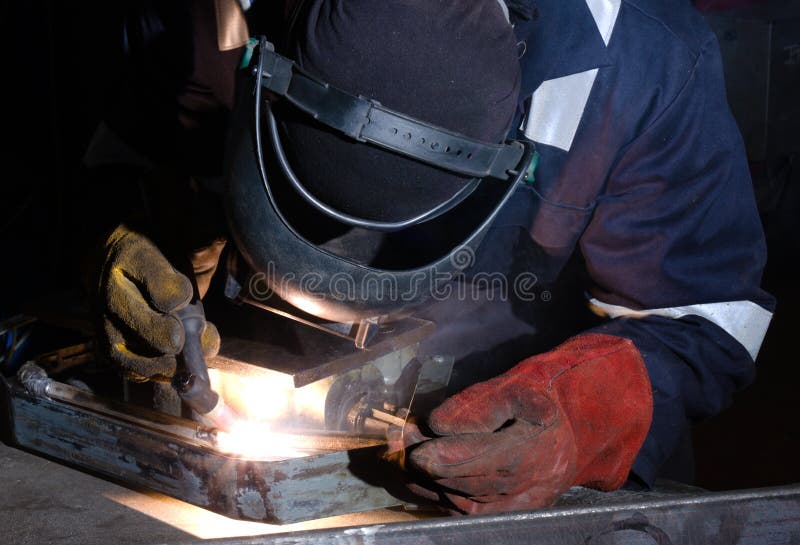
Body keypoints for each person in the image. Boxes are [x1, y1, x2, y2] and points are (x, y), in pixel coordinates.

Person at [83, 0, 775, 516]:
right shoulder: (213, 18)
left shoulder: (644, 64)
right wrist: (136, 240)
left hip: (484, 447)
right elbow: (125, 159)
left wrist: (579, 415)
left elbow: (705, 318)